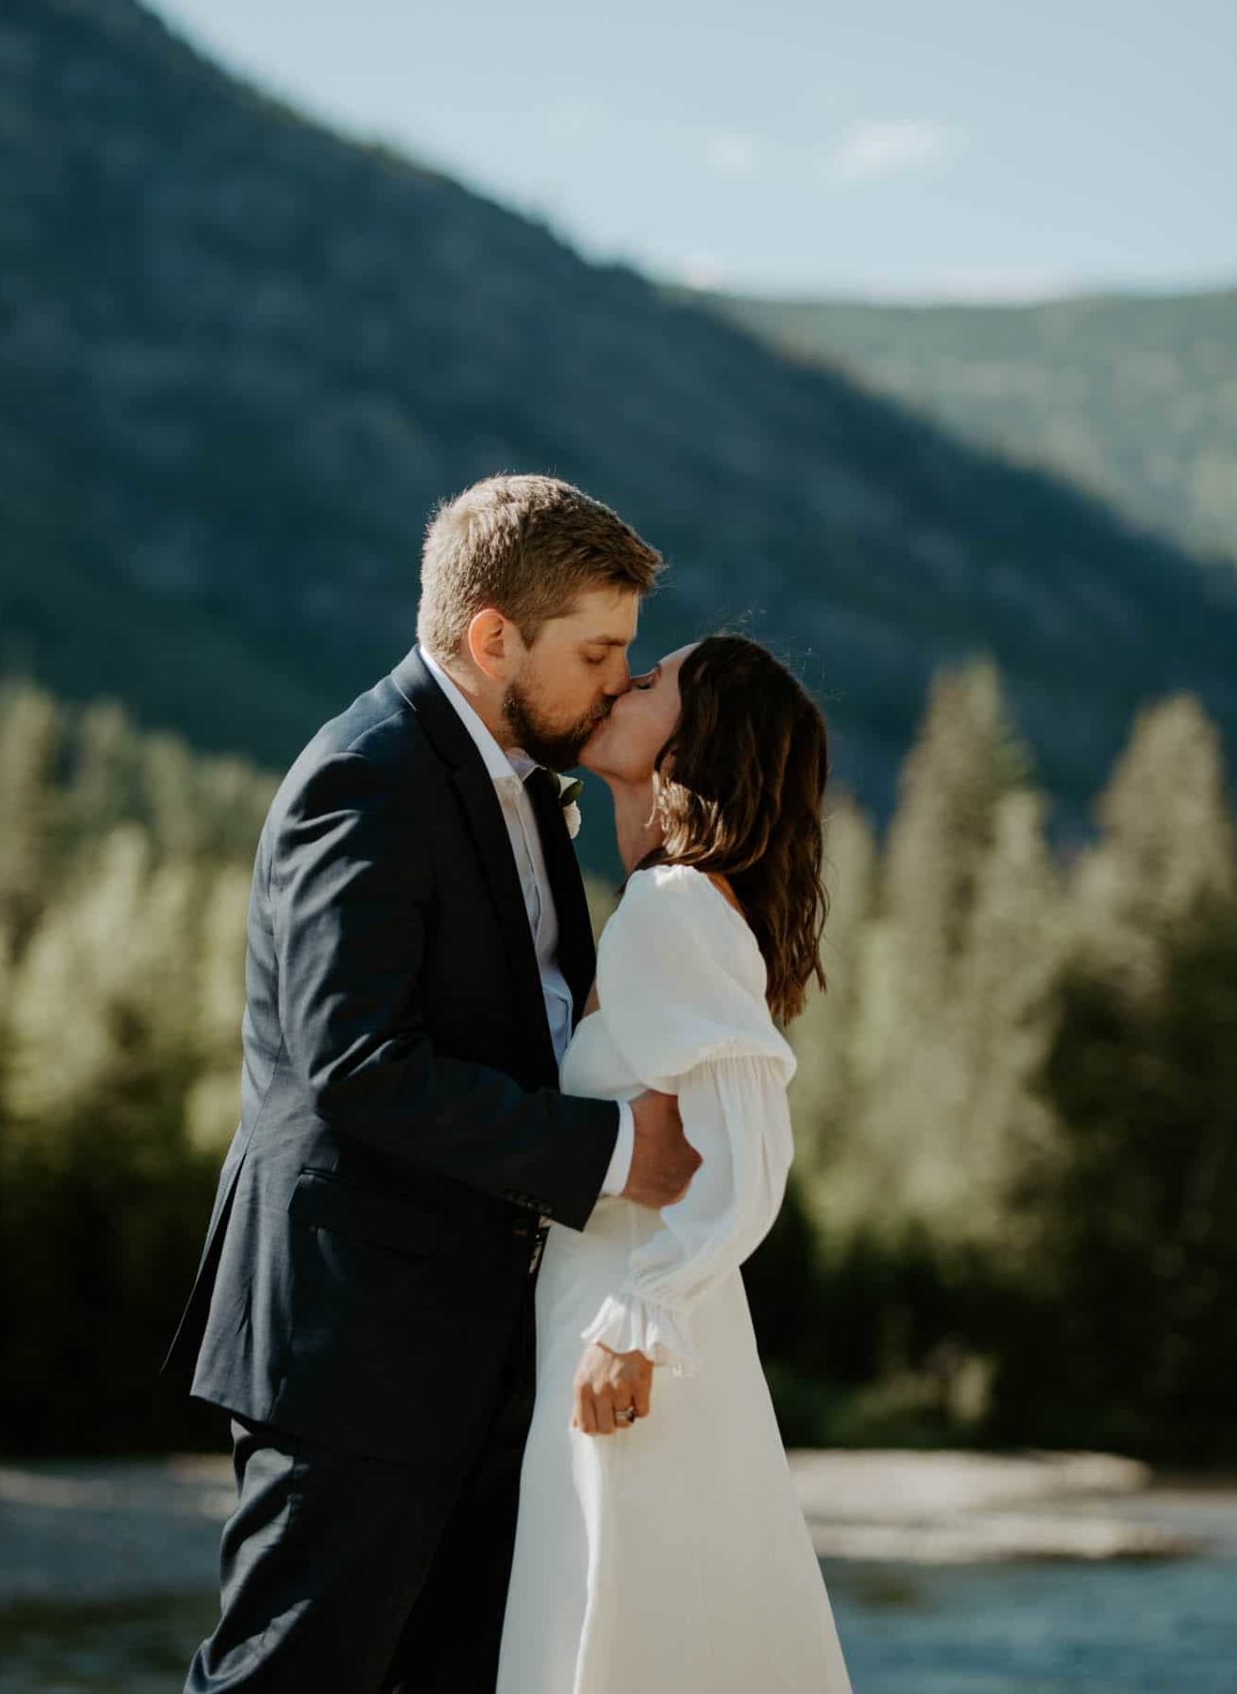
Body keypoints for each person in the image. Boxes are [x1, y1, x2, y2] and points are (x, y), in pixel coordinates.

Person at [160, 473, 703, 1692]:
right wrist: (616, 1152)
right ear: (490, 637)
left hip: (476, 1342)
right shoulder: (365, 777)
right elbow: (356, 1064)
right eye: (597, 649)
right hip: (353, 1338)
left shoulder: (516, 781)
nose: (619, 677)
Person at [495, 632, 855, 1693]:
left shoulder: (674, 909)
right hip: (619, 1314)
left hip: (627, 1333)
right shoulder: (667, 906)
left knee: (615, 1624)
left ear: (697, 741)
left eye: (651, 680)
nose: (623, 678)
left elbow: (750, 1159)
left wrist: (641, 1321)